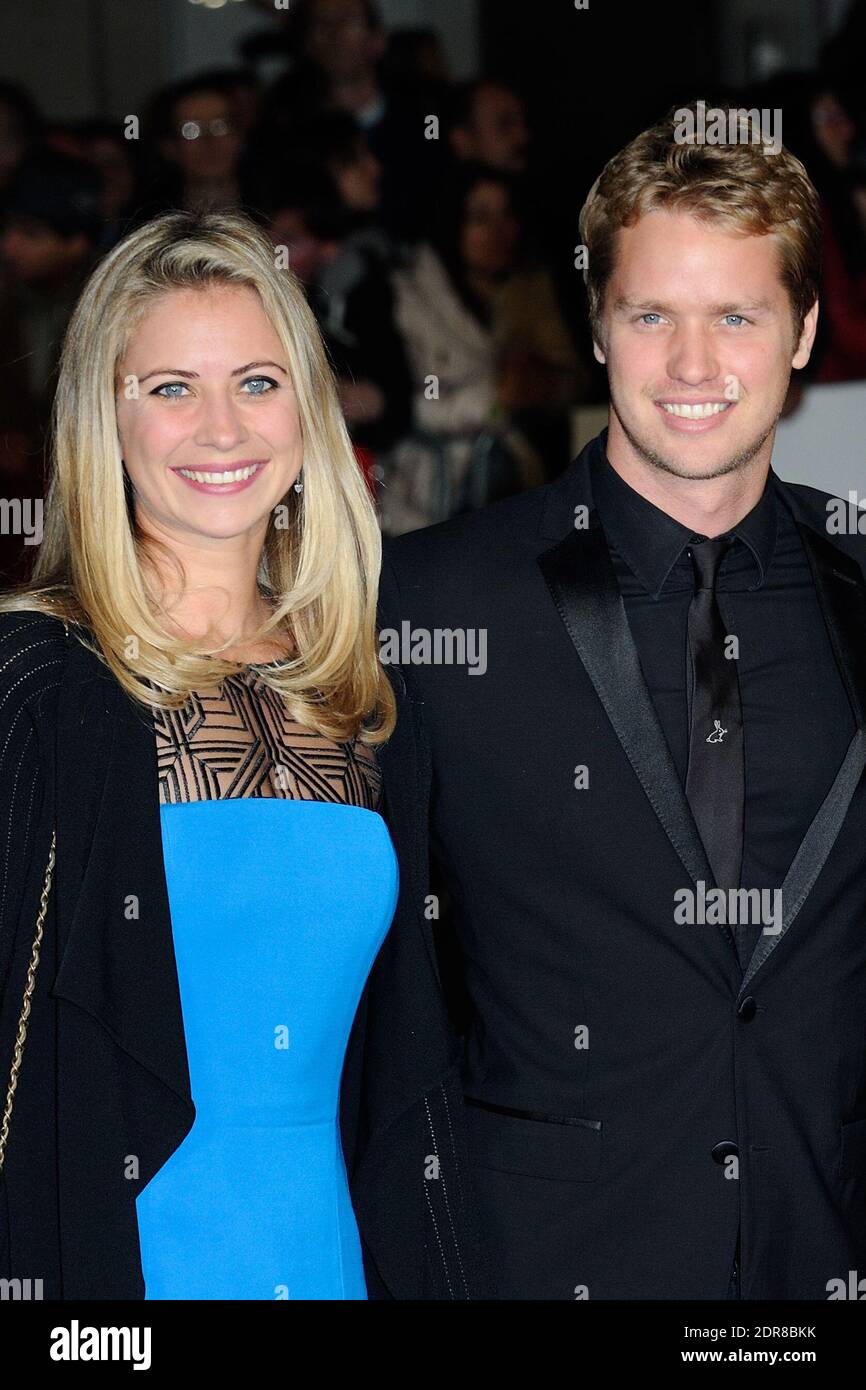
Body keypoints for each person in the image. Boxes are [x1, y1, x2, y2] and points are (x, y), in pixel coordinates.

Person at [357, 99, 866, 1299]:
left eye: (735, 316)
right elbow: (383, 993)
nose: (692, 367)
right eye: (651, 315)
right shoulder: (428, 603)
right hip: (540, 1262)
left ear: (801, 332)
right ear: (597, 326)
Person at [0, 208, 398, 1299]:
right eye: (170, 387)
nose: (222, 430)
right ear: (104, 420)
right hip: (109, 1259)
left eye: (258, 383)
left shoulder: (359, 687)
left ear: (308, 411)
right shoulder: (36, 684)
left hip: (327, 1249)